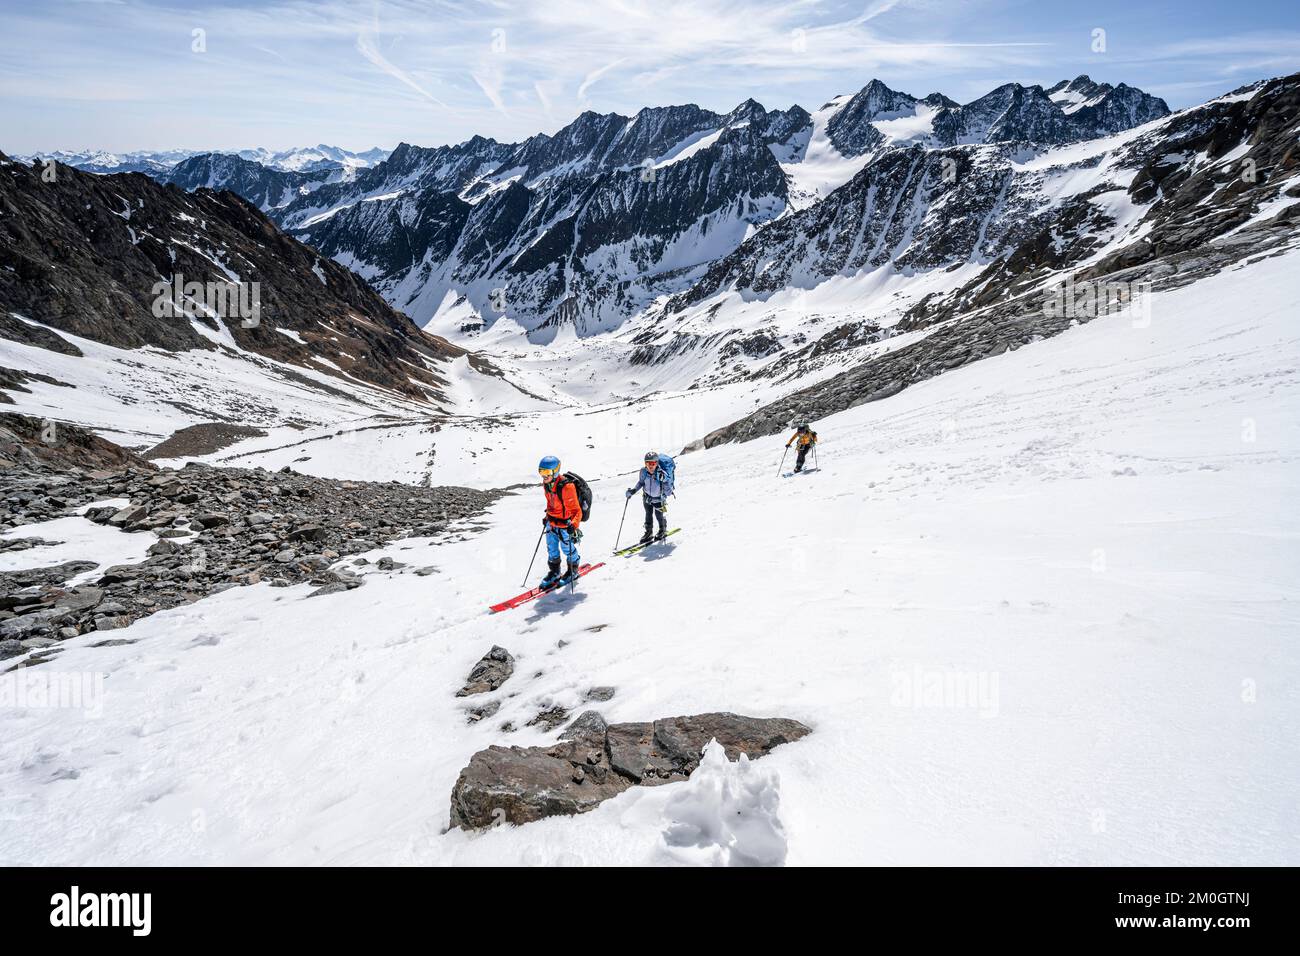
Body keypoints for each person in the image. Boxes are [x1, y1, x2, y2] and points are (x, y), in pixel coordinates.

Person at [538, 455, 581, 587]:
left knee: (567, 548)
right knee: (551, 548)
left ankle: (573, 570)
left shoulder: (566, 487)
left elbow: (576, 511)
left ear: (555, 471)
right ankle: (555, 572)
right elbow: (551, 503)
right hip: (551, 523)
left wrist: (573, 525)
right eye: (541, 471)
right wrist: (547, 517)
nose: (544, 476)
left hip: (565, 524)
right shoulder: (547, 485)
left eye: (547, 472)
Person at [626, 451, 670, 544]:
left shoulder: (661, 473)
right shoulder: (643, 471)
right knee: (648, 514)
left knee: (658, 515)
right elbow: (641, 482)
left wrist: (664, 478)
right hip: (647, 497)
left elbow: (667, 480)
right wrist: (634, 490)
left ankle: (662, 529)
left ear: (657, 463)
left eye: (653, 463)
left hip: (658, 498)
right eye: (648, 463)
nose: (650, 466)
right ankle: (648, 532)